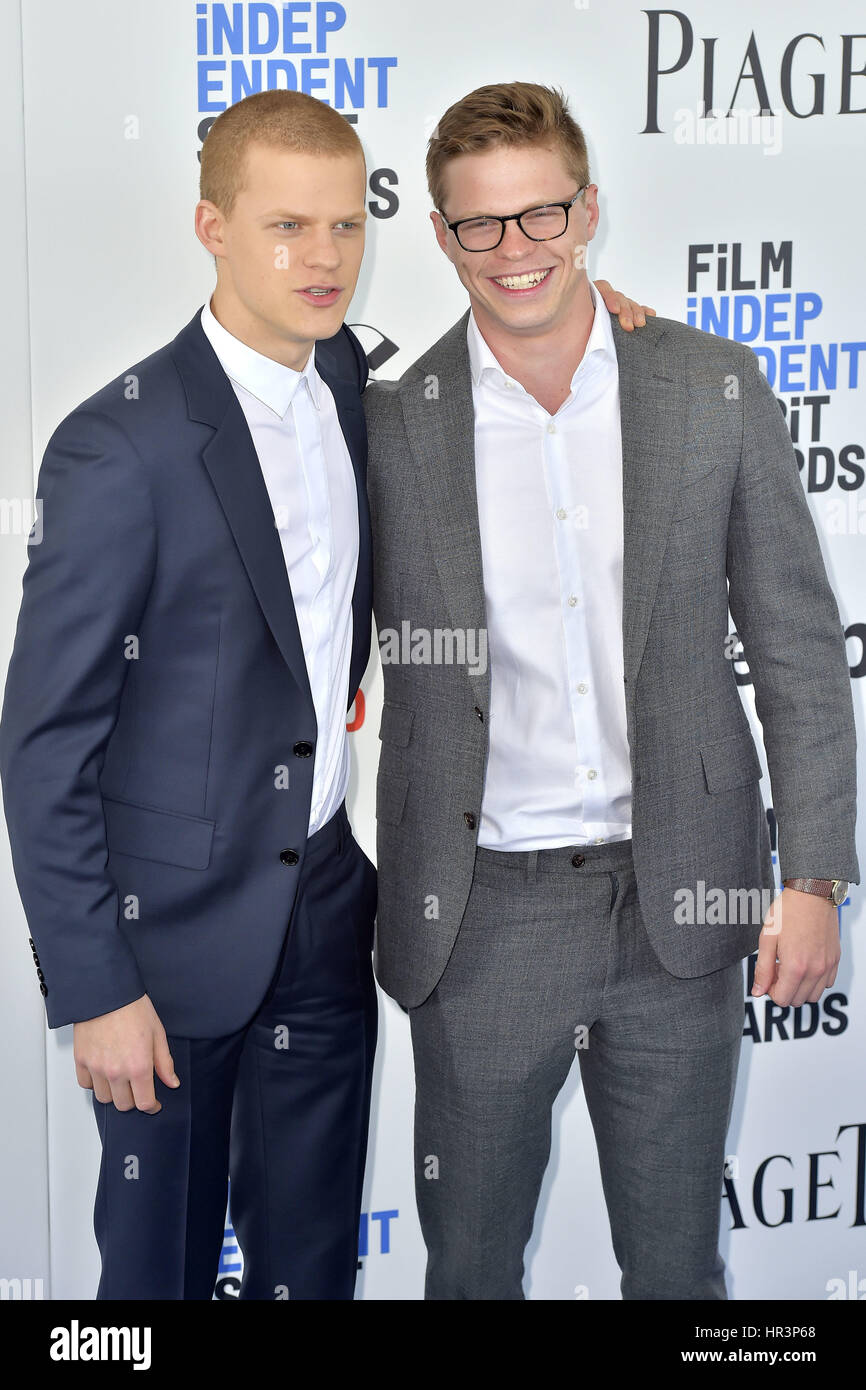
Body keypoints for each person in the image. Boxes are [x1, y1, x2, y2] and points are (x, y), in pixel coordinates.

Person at [0, 84, 646, 1301]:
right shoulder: (118, 445)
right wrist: (98, 987)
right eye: (287, 227)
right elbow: (42, 744)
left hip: (323, 913)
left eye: (346, 226)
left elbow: (499, 373)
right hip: (166, 947)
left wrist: (603, 323)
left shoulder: (353, 381)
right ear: (211, 228)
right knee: (157, 1280)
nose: (323, 258)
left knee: (309, 1267)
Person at [363, 80, 859, 1300]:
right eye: (479, 224)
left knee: (677, 1269)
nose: (514, 250)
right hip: (480, 917)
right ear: (437, 234)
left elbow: (795, 641)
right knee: (469, 1268)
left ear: (589, 208)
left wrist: (810, 877)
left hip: (681, 900)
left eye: (542, 215)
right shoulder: (381, 420)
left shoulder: (711, 386)